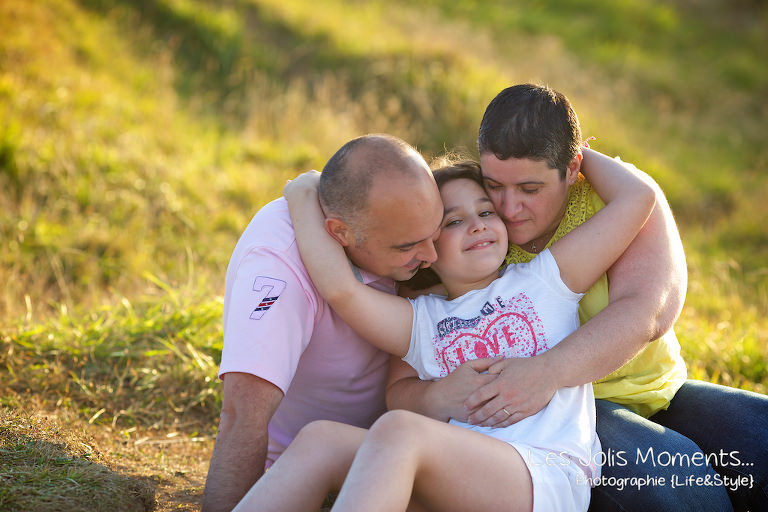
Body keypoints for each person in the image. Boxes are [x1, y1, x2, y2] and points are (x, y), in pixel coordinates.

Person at [387, 83, 768, 511]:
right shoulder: (479, 236)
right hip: (565, 414)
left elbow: (648, 311)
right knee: (681, 487)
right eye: (495, 185)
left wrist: (546, 370)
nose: (509, 207)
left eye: (530, 189)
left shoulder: (613, 203)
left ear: (572, 169)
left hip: (658, 391)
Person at [231, 151, 655, 511]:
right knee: (321, 439)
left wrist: (573, 152)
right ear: (426, 247)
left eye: (486, 211)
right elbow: (343, 292)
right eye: (453, 222)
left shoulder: (545, 280)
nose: (476, 224)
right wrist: (303, 193)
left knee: (399, 432)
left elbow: (638, 197)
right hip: (455, 474)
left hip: (544, 473)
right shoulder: (419, 319)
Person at [201, 134, 444, 512]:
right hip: (307, 473)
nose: (431, 255)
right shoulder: (279, 268)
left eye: (436, 230)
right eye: (406, 246)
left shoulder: (402, 221)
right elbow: (241, 418)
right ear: (339, 233)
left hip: (410, 452)